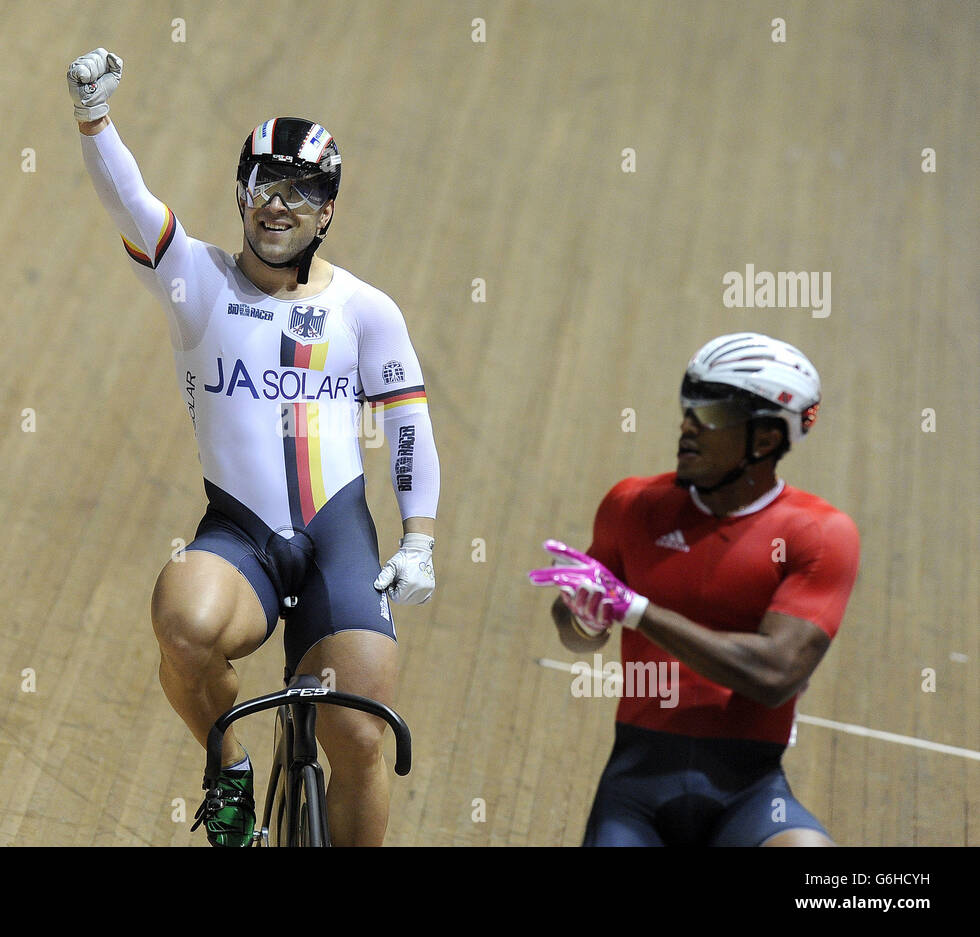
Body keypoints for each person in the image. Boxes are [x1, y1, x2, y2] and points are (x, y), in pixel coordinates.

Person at [67, 49, 439, 847]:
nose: (279, 204)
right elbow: (130, 203)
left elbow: (408, 426)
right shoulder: (194, 279)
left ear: (328, 211)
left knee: (362, 734)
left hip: (339, 542)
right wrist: (94, 120)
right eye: (265, 183)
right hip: (241, 539)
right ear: (240, 192)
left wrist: (420, 539)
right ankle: (230, 766)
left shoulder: (368, 311)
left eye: (302, 190)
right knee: (183, 627)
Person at [529, 332, 859, 846]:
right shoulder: (634, 504)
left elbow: (774, 673)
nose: (687, 425)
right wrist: (582, 618)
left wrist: (637, 611)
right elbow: (578, 636)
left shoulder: (817, 533)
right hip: (636, 790)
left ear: (766, 439)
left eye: (711, 414)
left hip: (750, 793)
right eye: (688, 408)